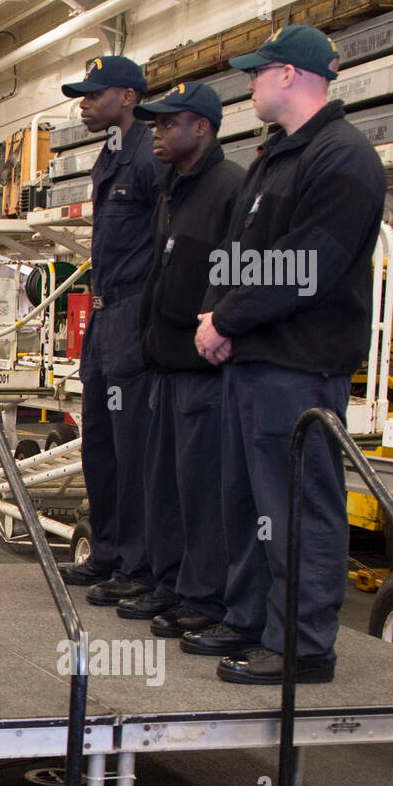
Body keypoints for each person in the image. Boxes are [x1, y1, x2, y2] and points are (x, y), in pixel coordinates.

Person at [190, 25, 387, 684]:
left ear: (288, 76)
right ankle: (249, 619)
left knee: (297, 508)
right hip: (252, 360)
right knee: (248, 504)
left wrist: (228, 317)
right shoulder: (276, 156)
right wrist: (216, 314)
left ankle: (300, 644)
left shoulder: (344, 158)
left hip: (299, 367)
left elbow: (308, 268)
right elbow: (238, 253)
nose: (248, 83)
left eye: (256, 72)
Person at [122, 82, 246, 635]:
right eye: (154, 124)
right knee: (165, 484)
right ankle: (172, 585)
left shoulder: (229, 188)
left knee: (201, 489)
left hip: (202, 370)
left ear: (203, 127)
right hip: (163, 365)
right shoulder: (173, 189)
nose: (157, 132)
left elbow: (235, 273)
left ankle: (205, 597)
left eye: (168, 124)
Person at [55, 56, 160, 609]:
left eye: (95, 94)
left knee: (131, 445)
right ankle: (109, 552)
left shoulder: (149, 154)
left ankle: (139, 565)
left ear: (128, 95)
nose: (85, 103)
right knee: (99, 442)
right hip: (102, 315)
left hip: (134, 312)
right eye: (82, 95)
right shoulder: (110, 156)